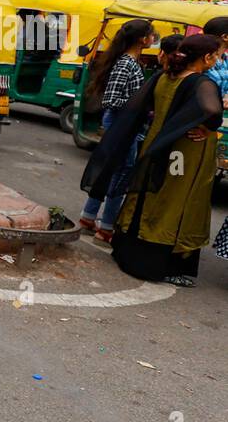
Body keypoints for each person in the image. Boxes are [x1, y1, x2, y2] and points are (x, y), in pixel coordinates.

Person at [83, 34, 223, 286]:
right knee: (176, 201)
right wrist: (204, 127)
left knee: (147, 195)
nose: (219, 58)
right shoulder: (200, 82)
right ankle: (163, 265)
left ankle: (128, 251)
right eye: (218, 54)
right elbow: (212, 111)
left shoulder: (163, 77)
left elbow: (137, 106)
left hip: (155, 146)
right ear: (206, 57)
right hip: (183, 153)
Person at [78, 18, 154, 241]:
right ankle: (106, 227)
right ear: (142, 39)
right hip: (122, 124)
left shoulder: (132, 61)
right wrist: (141, 106)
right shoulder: (126, 64)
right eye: (151, 35)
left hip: (125, 123)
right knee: (121, 174)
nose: (153, 39)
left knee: (110, 170)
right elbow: (111, 100)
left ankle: (89, 216)